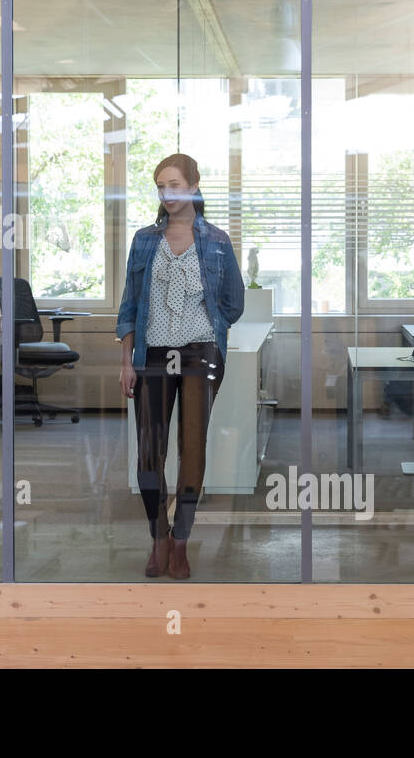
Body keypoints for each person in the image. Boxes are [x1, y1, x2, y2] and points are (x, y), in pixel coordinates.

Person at [116, 153, 244, 580]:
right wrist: (127, 361)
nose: (167, 194)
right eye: (160, 187)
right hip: (152, 355)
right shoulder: (144, 240)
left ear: (193, 184)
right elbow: (130, 305)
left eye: (174, 184)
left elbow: (233, 302)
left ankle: (182, 540)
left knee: (192, 452)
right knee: (149, 455)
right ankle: (158, 536)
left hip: (199, 354)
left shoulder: (218, 241)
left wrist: (211, 329)